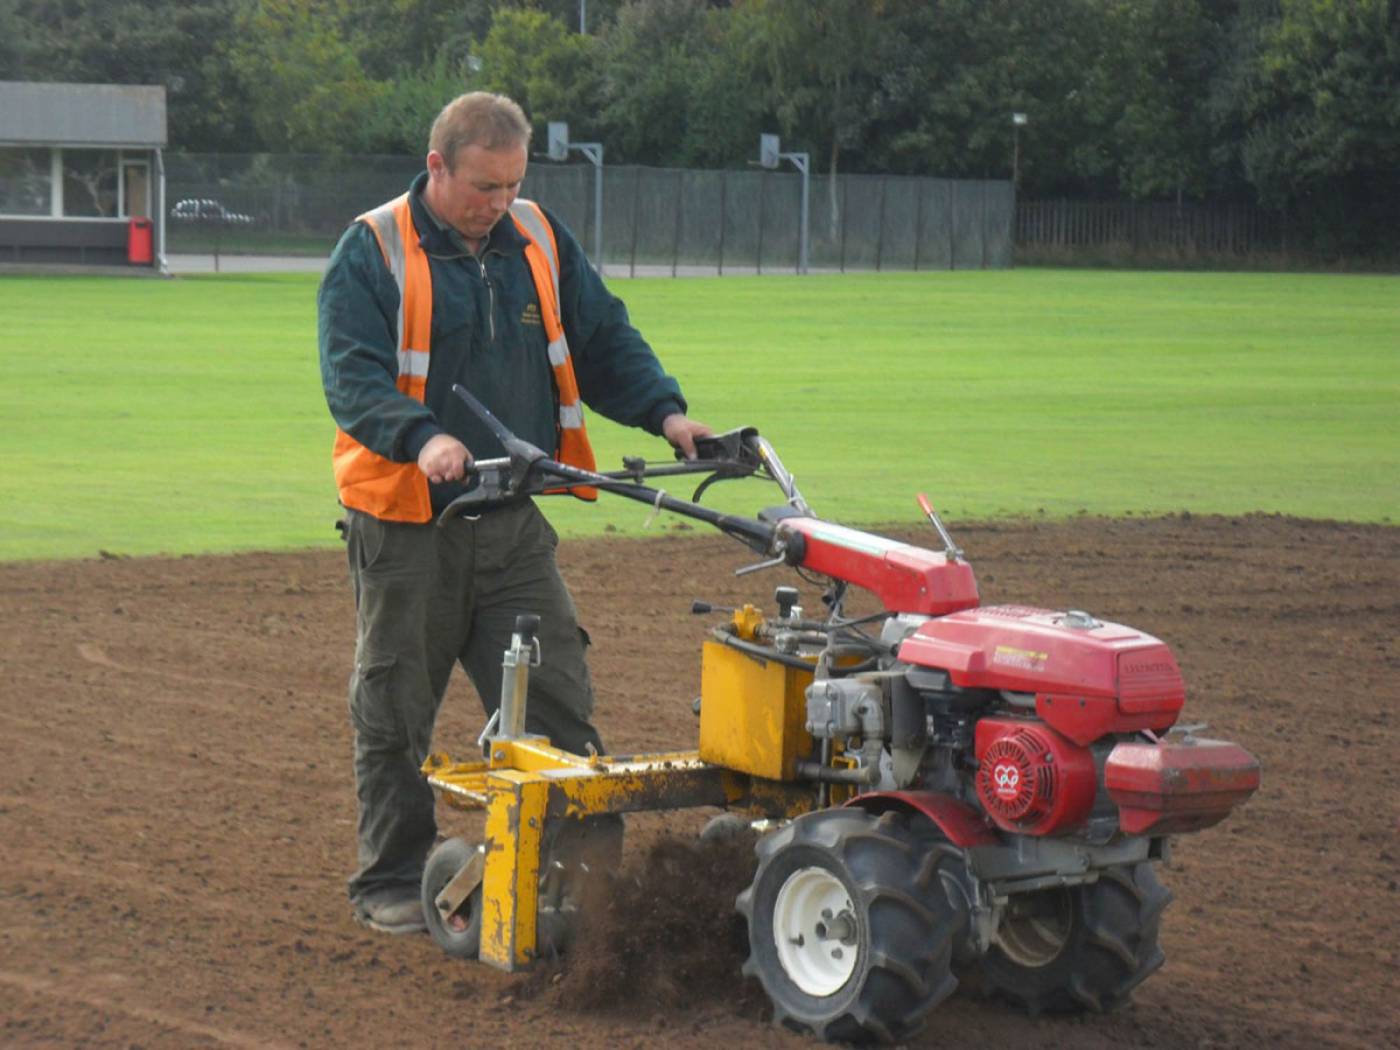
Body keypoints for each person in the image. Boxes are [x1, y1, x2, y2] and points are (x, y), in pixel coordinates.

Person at [317, 91, 711, 934]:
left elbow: (603, 336)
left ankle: (580, 882)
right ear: (437, 167)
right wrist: (419, 438)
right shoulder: (372, 249)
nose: (497, 204)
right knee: (395, 707)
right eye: (482, 188)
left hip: (514, 522)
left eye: (510, 186)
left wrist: (668, 414)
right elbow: (351, 377)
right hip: (408, 526)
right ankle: (392, 879)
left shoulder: (534, 235)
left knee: (559, 699)